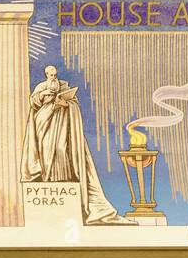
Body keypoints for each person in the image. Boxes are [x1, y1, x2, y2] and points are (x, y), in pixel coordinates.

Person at [21, 65, 130, 225]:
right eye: (50, 75)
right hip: (44, 124)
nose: (53, 77)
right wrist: (43, 96)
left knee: (61, 150)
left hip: (62, 125)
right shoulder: (41, 87)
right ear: (46, 75)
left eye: (55, 74)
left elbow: (73, 103)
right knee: (45, 149)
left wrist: (66, 103)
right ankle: (47, 177)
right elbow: (34, 104)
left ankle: (61, 179)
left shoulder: (63, 85)